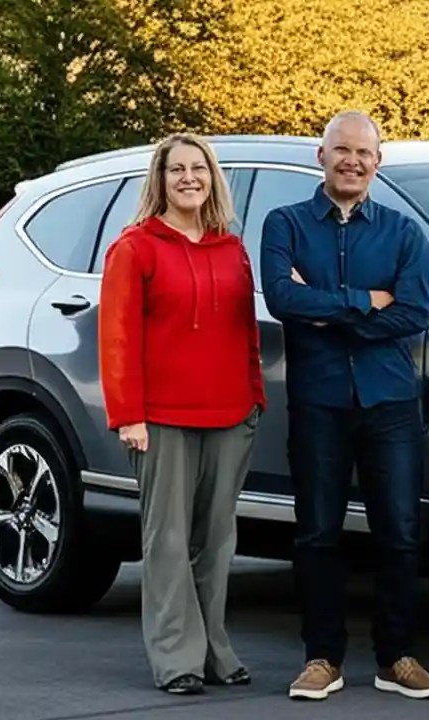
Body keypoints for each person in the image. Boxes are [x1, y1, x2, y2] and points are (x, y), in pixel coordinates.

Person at [258, 110, 429, 701]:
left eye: (364, 154)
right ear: (321, 156)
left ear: (377, 164)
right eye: (342, 150)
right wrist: (368, 300)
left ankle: (397, 657)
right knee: (317, 532)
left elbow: (416, 312)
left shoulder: (405, 232)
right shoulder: (283, 224)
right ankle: (321, 658)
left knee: (400, 531)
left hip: (389, 403)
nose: (353, 162)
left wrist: (329, 312)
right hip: (320, 402)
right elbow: (284, 299)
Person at [98, 132, 266, 696]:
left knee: (217, 540)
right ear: (161, 180)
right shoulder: (135, 248)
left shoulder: (230, 247)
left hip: (230, 415)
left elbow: (244, 331)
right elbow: (117, 337)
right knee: (167, 541)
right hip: (161, 418)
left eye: (199, 168)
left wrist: (254, 400)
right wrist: (129, 415)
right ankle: (177, 660)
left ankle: (214, 648)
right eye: (177, 170)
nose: (189, 178)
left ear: (212, 178)